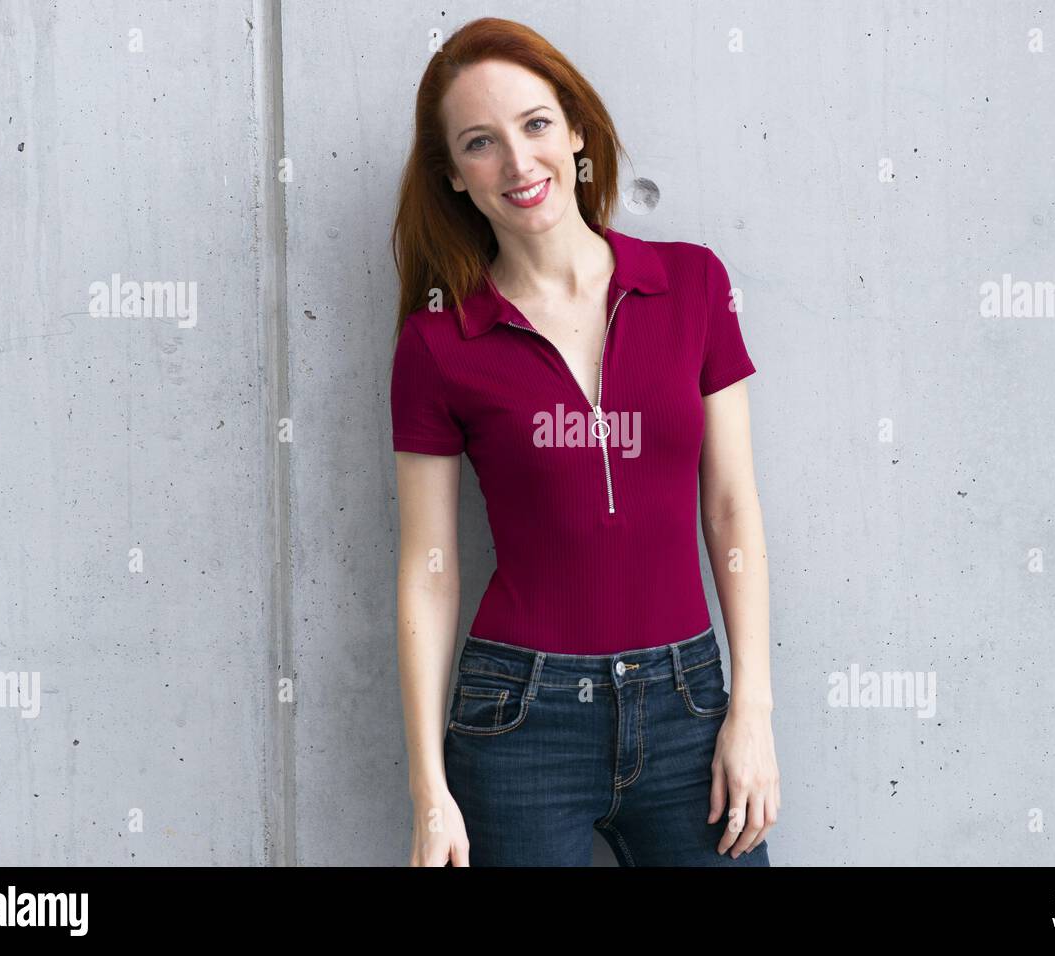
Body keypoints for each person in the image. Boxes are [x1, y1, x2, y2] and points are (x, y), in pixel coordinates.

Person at [389, 16, 779, 866]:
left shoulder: (693, 284)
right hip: (518, 719)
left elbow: (731, 508)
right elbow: (428, 569)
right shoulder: (437, 342)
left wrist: (751, 709)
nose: (519, 164)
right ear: (454, 176)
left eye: (534, 126)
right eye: (481, 143)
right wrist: (429, 792)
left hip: (690, 705)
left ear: (574, 130)